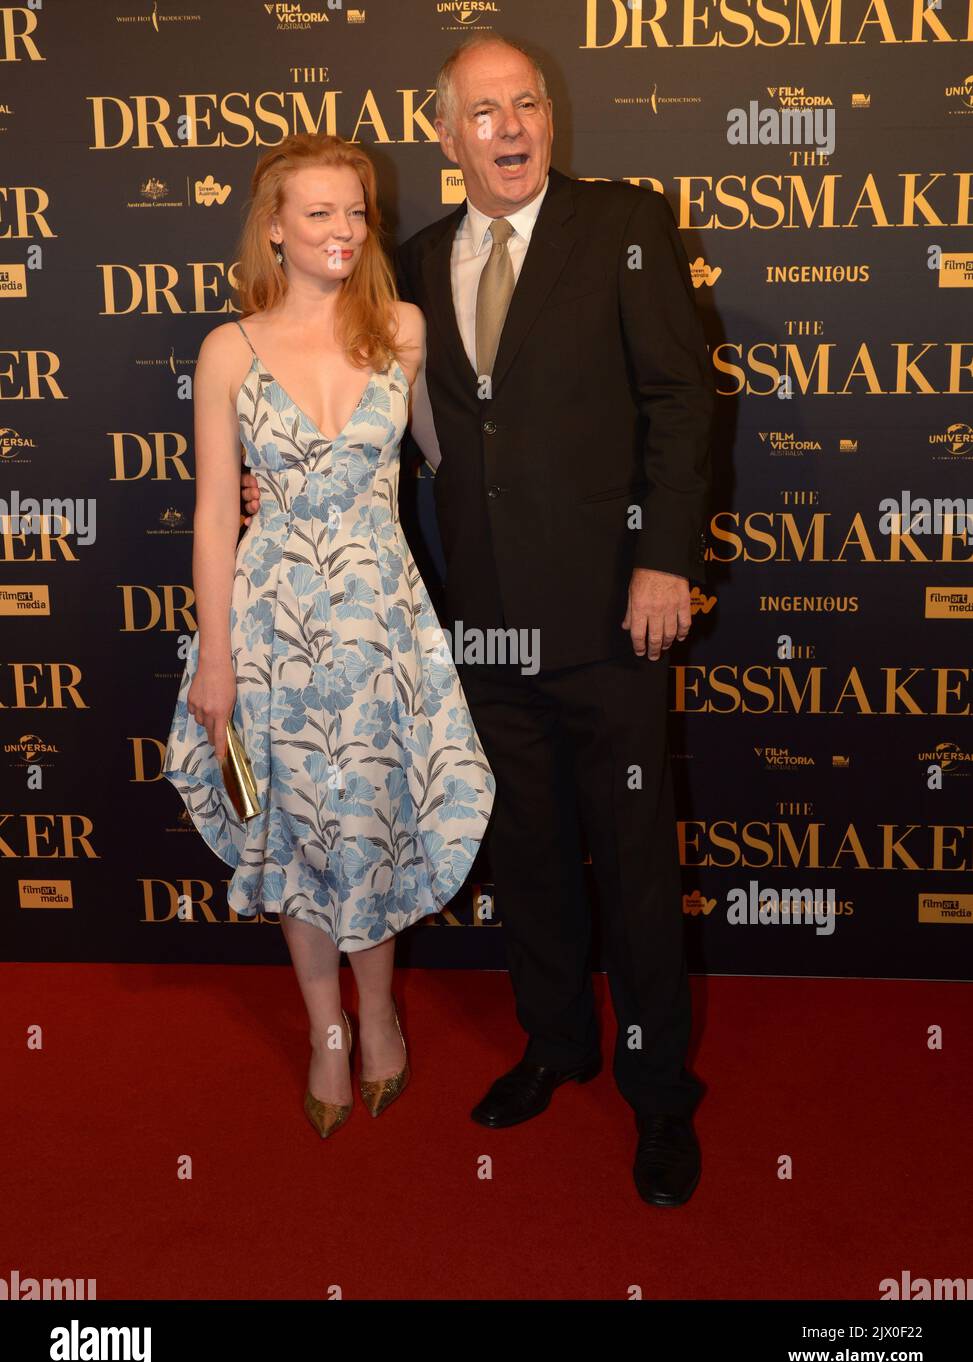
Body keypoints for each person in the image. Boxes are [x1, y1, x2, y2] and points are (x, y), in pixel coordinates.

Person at [245, 34, 715, 1205]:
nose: (510, 128)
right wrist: (277, 477)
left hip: (615, 619)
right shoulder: (403, 270)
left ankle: (660, 1098)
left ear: (547, 119)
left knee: (640, 870)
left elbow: (681, 396)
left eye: (527, 105)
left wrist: (665, 561)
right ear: (446, 137)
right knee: (533, 854)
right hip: (483, 633)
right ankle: (557, 1044)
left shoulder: (623, 227)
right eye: (483, 113)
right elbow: (366, 420)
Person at [163, 132, 495, 1141]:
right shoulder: (230, 347)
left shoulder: (399, 329)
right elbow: (216, 512)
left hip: (379, 625)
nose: (345, 229)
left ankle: (382, 1010)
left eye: (356, 210)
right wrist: (214, 656)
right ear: (274, 226)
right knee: (299, 835)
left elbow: (450, 455)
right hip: (269, 630)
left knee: (374, 825)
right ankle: (327, 1033)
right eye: (320, 212)